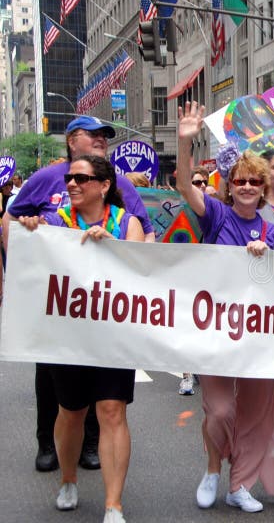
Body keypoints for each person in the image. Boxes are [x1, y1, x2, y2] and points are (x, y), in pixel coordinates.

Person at [2, 116, 154, 475]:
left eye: (105, 136)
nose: (102, 139)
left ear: (103, 185)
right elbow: (12, 220)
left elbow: (145, 234)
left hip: (104, 309)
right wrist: (21, 265)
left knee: (102, 385)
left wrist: (123, 253)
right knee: (51, 379)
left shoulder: (119, 185)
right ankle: (47, 444)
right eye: (94, 135)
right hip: (58, 303)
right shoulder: (45, 180)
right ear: (72, 141)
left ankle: (90, 445)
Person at [18, 154, 145, 523]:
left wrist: (114, 246)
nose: (71, 184)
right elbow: (35, 265)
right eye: (70, 178)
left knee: (112, 411)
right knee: (71, 412)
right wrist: (31, 233)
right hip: (69, 337)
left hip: (114, 337)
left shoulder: (128, 223)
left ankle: (113, 504)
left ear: (104, 186)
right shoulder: (57, 222)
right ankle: (68, 480)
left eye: (81, 178)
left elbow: (142, 274)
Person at [177, 101, 274, 513]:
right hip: (216, 332)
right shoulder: (218, 216)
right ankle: (212, 469)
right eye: (239, 180)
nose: (246, 187)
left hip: (258, 335)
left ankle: (239, 484)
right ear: (229, 185)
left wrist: (266, 258)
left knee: (257, 415)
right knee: (220, 411)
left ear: (263, 188)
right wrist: (184, 143)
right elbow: (185, 186)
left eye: (254, 181)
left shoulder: (272, 231)